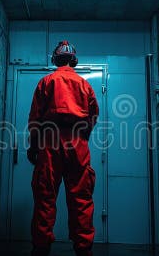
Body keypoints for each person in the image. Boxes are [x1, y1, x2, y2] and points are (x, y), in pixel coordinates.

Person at [27, 41, 99, 256]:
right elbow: (93, 116)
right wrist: (82, 138)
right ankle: (84, 249)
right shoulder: (85, 85)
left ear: (55, 59)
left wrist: (34, 146)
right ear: (73, 60)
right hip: (77, 143)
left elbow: (35, 118)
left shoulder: (46, 82)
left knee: (45, 197)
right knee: (81, 199)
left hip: (50, 142)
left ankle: (41, 248)